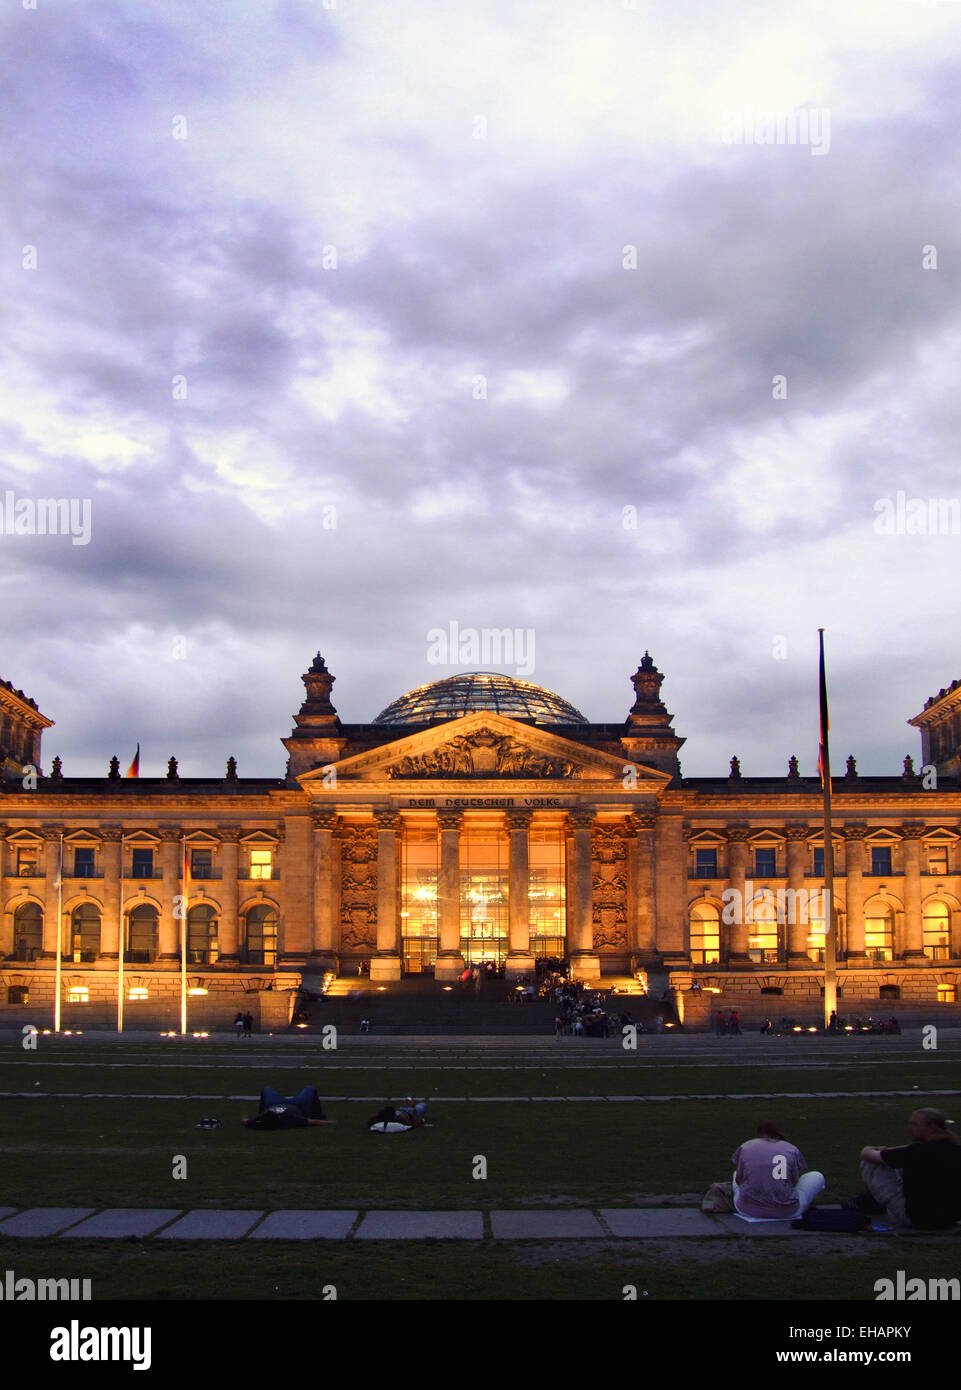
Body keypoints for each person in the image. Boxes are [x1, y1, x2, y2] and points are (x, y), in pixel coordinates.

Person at [853, 1108, 961, 1229]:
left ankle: (867, 1202)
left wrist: (870, 1148)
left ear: (932, 1127)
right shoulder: (955, 1149)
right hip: (950, 1218)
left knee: (871, 1163)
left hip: (916, 1219)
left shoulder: (916, 1152)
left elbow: (866, 1155)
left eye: (915, 1124)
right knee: (899, 1167)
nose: (909, 1128)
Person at [731, 1121, 825, 1221]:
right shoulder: (791, 1149)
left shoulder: (746, 1146)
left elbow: (738, 1180)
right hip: (788, 1211)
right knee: (816, 1176)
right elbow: (794, 1182)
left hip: (747, 1210)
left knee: (736, 1173)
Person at [241, 1085, 333, 1130]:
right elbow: (313, 1122)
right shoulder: (289, 1118)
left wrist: (245, 1118)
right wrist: (330, 1122)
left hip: (275, 1104)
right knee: (310, 1089)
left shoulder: (261, 1119)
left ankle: (318, 1114)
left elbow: (246, 1121)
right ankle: (318, 1114)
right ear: (279, 1117)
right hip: (297, 1105)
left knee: (267, 1089)